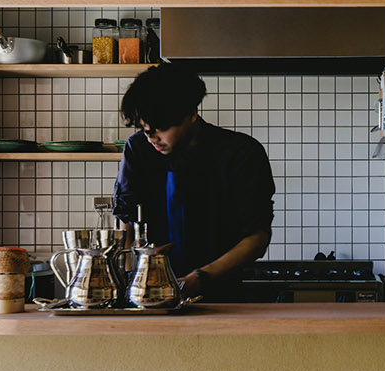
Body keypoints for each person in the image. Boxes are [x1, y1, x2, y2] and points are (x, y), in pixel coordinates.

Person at [111, 63, 274, 299]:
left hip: (223, 296)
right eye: (145, 128)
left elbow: (257, 236)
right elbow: (125, 218)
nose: (151, 137)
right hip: (150, 296)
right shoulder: (138, 149)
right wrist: (126, 276)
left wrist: (199, 278)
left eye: (161, 127)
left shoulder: (240, 153)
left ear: (191, 113)